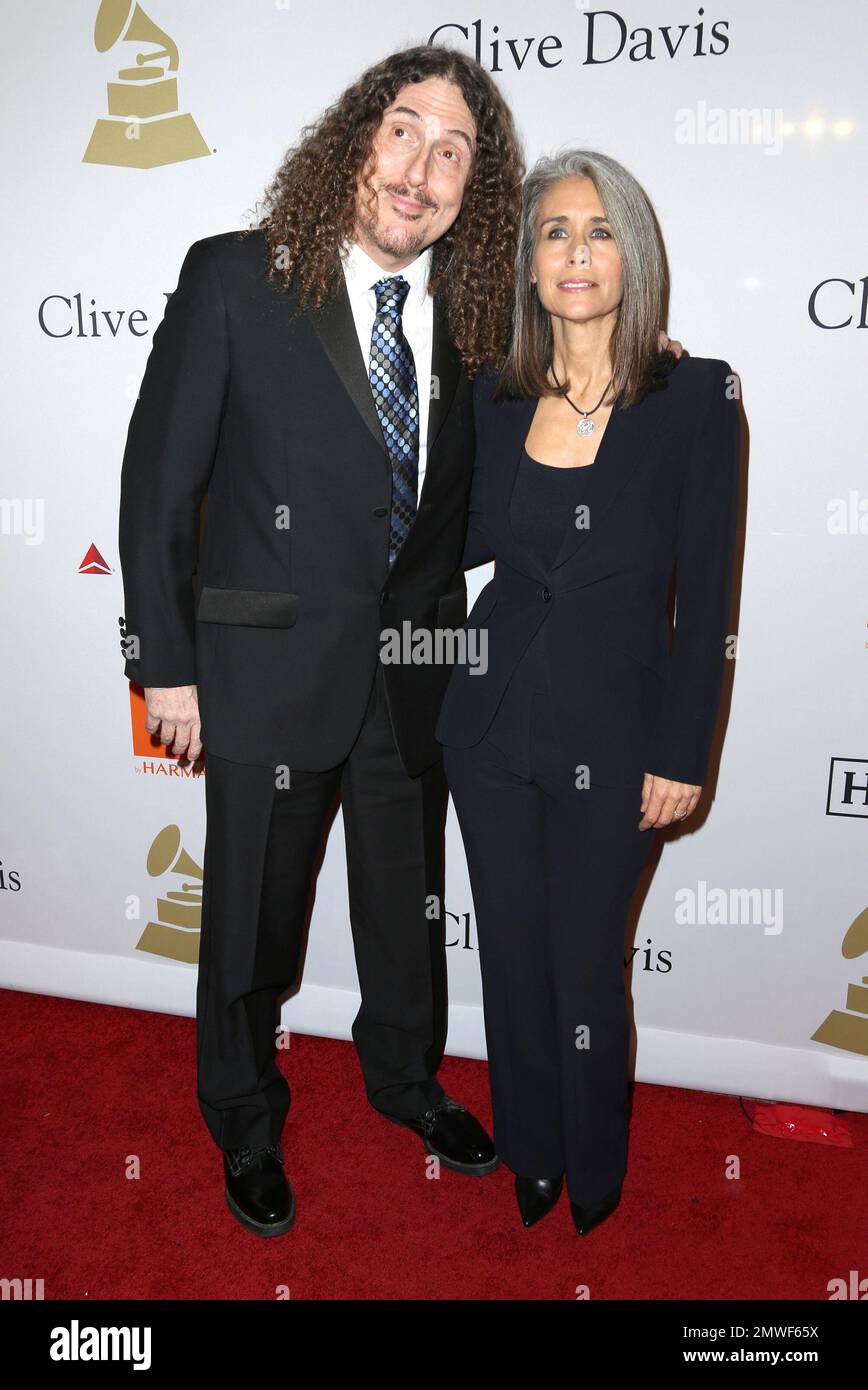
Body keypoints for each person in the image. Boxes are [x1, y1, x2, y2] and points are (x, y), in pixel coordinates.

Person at [117, 45, 526, 1237]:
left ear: (470, 189)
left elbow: (483, 491)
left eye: (453, 152)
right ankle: (243, 1116)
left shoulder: (474, 317)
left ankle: (405, 1080)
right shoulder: (240, 279)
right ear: (357, 140)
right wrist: (165, 664)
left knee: (405, 909)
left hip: (410, 674)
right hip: (261, 670)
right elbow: (158, 486)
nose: (422, 168)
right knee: (249, 918)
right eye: (405, 132)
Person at [436, 150, 741, 1237]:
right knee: (511, 953)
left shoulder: (694, 396)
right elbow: (444, 542)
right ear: (526, 264)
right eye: (554, 232)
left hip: (620, 736)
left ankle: (594, 1164)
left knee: (583, 964)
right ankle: (531, 1150)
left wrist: (681, 750)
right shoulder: (491, 393)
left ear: (634, 254)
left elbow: (706, 599)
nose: (575, 252)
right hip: (486, 722)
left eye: (599, 230)